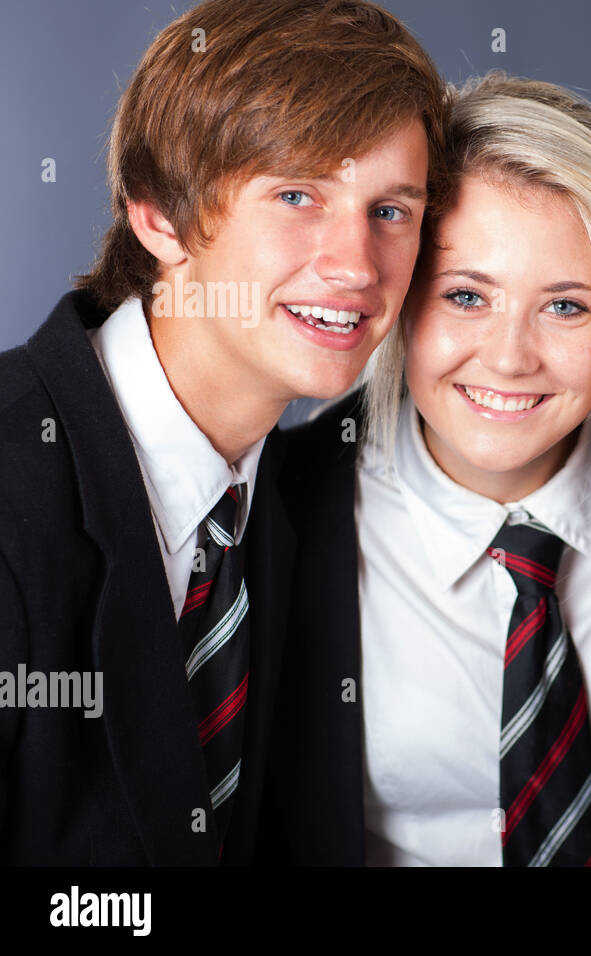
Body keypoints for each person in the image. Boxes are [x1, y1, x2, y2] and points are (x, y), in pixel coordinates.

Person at [0, 0, 445, 864]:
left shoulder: (282, 500)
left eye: (392, 209)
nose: (357, 265)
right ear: (159, 216)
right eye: (295, 194)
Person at [264, 72, 591, 866]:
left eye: (565, 306)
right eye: (465, 296)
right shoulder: (281, 510)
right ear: (402, 296)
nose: (509, 357)